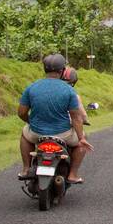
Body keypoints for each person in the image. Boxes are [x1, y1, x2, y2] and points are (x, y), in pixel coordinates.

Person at [17, 53, 93, 184]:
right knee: (83, 141)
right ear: (62, 70)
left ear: (45, 69)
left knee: (25, 134)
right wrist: (81, 138)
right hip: (63, 135)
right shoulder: (69, 91)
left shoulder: (31, 87)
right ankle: (73, 174)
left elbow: (21, 113)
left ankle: (26, 169)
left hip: (37, 133)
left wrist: (31, 122)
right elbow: (76, 117)